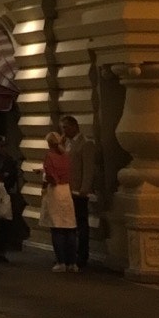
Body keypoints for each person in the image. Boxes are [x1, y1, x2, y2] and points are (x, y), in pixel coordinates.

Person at [60, 114, 97, 269]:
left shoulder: (85, 144)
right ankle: (70, 254)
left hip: (78, 191)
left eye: (66, 127)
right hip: (66, 189)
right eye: (63, 128)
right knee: (69, 224)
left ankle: (82, 255)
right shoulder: (67, 144)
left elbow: (89, 168)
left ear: (74, 126)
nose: (64, 131)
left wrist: (85, 188)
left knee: (81, 223)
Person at [41, 131, 78, 272]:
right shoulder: (66, 156)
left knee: (56, 228)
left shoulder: (49, 156)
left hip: (55, 191)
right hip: (66, 190)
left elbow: (50, 175)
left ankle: (61, 262)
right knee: (69, 227)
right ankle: (72, 263)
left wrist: (46, 181)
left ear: (50, 143)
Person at [0, 136, 23, 263]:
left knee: (4, 224)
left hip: (4, 196)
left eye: (5, 146)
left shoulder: (9, 161)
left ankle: (0, 252)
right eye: (1, 145)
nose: (3, 148)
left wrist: (5, 182)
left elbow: (13, 177)